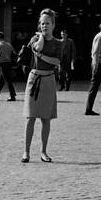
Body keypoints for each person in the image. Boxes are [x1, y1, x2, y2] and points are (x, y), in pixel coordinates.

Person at [21, 11, 64, 163]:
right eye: (42, 23)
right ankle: (26, 152)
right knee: (30, 117)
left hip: (48, 80)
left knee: (46, 119)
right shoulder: (35, 38)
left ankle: (43, 152)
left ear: (53, 25)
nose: (45, 26)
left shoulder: (58, 43)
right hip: (34, 79)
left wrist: (41, 57)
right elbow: (38, 48)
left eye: (47, 23)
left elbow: (57, 61)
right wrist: (40, 37)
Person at [59, 27, 77, 91]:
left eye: (64, 34)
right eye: (62, 34)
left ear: (66, 35)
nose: (63, 35)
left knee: (68, 74)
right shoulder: (59, 41)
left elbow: (73, 51)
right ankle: (62, 86)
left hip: (68, 59)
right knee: (60, 73)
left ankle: (67, 87)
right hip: (61, 60)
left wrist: (73, 59)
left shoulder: (70, 41)